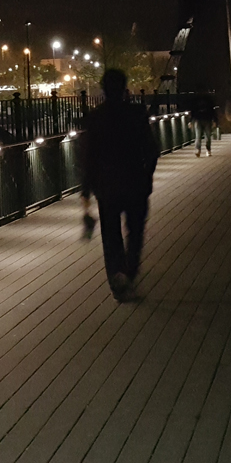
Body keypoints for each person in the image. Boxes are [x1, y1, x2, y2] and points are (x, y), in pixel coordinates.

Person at [81, 69, 159, 301]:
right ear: (125, 87)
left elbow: (88, 157)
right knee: (135, 234)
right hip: (135, 183)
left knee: (111, 236)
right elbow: (152, 150)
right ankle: (129, 273)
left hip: (107, 187)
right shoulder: (137, 114)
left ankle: (117, 280)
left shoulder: (95, 117)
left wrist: (86, 189)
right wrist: (147, 177)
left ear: (103, 89)